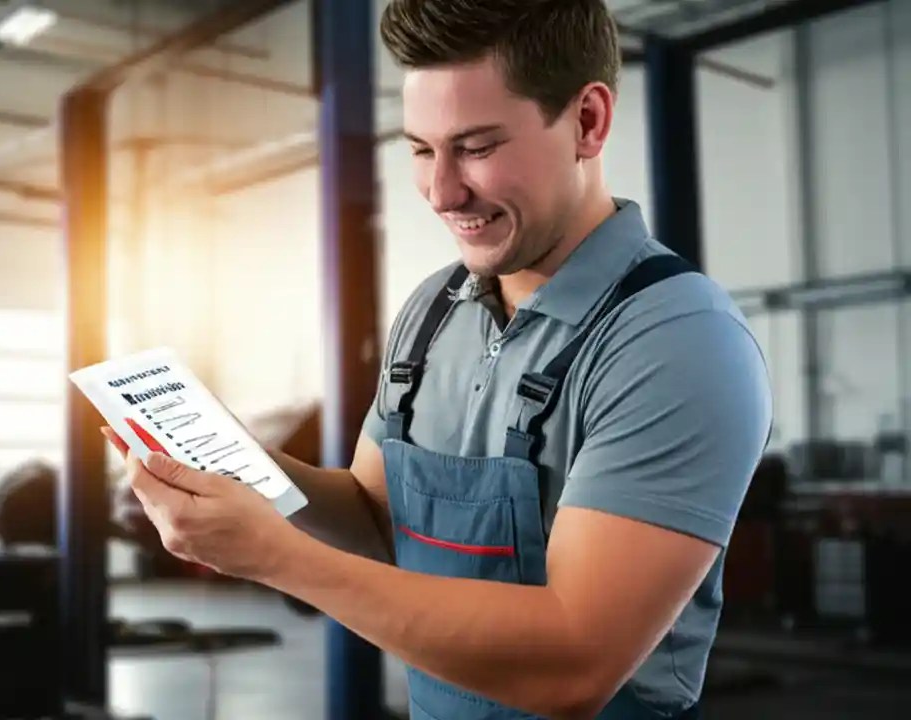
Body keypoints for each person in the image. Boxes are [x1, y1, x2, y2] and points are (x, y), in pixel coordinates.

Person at [102, 1, 773, 718]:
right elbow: (374, 519)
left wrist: (273, 556)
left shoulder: (675, 340)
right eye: (422, 150)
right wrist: (233, 463)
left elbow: (574, 665)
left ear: (587, 121)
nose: (442, 192)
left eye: (477, 147)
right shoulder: (434, 309)